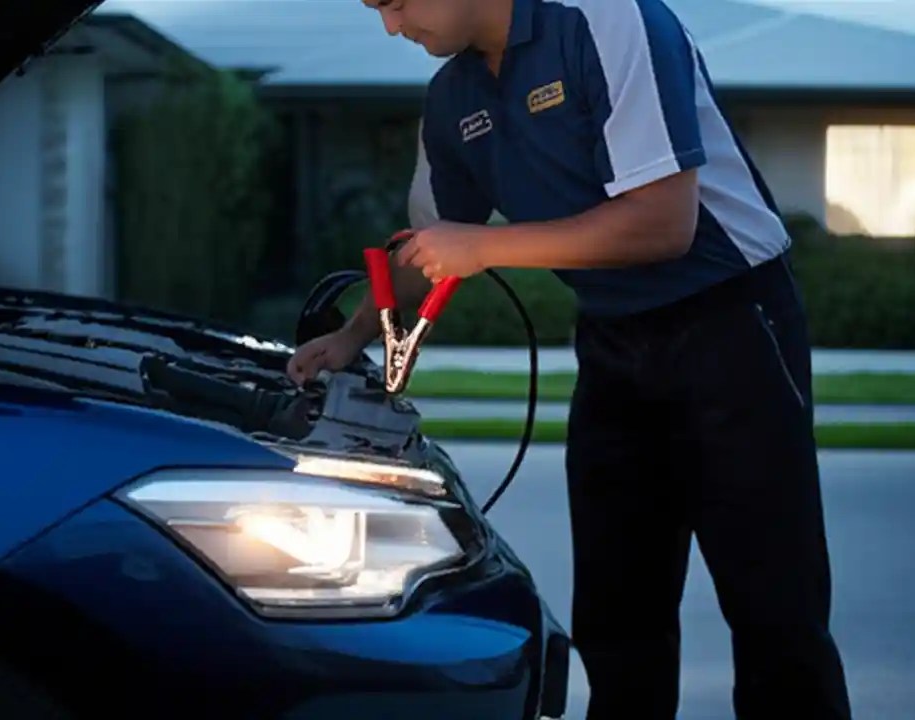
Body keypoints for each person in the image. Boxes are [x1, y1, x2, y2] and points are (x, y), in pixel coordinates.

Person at [286, 0, 855, 718]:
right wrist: (350, 336)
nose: (392, 27)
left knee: (776, 616)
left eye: (396, 2)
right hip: (615, 342)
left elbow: (663, 222)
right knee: (619, 624)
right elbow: (427, 249)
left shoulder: (608, 18)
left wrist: (486, 246)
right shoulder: (454, 97)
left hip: (731, 321)